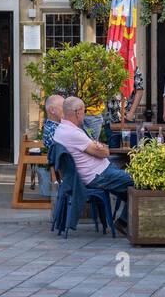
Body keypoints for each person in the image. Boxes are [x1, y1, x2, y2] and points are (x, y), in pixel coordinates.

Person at [54, 96, 134, 228]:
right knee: (138, 181)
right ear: (78, 112)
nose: (84, 115)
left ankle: (125, 222)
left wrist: (97, 146)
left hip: (96, 171)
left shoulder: (62, 129)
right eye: (84, 112)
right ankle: (124, 222)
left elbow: (96, 149)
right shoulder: (74, 133)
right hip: (97, 176)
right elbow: (104, 153)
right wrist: (101, 147)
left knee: (127, 188)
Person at [39, 94, 64, 198]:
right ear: (52, 110)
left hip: (61, 170)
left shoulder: (52, 126)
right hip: (65, 170)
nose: (67, 110)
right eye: (63, 107)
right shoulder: (55, 130)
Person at [105, 66, 145, 131]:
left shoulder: (132, 65)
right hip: (110, 118)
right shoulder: (108, 65)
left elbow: (140, 90)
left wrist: (131, 113)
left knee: (127, 140)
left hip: (127, 116)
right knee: (112, 140)